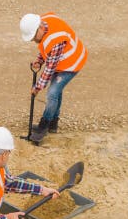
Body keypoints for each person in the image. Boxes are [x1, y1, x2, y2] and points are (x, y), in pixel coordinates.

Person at [19, 12, 88, 143]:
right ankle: (53, 124)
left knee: (52, 93)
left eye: (33, 37)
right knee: (56, 92)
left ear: (39, 28)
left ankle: (44, 126)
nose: (34, 40)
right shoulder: (43, 25)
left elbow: (50, 66)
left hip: (72, 63)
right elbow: (46, 49)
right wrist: (39, 61)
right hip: (60, 61)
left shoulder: (56, 40)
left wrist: (38, 87)